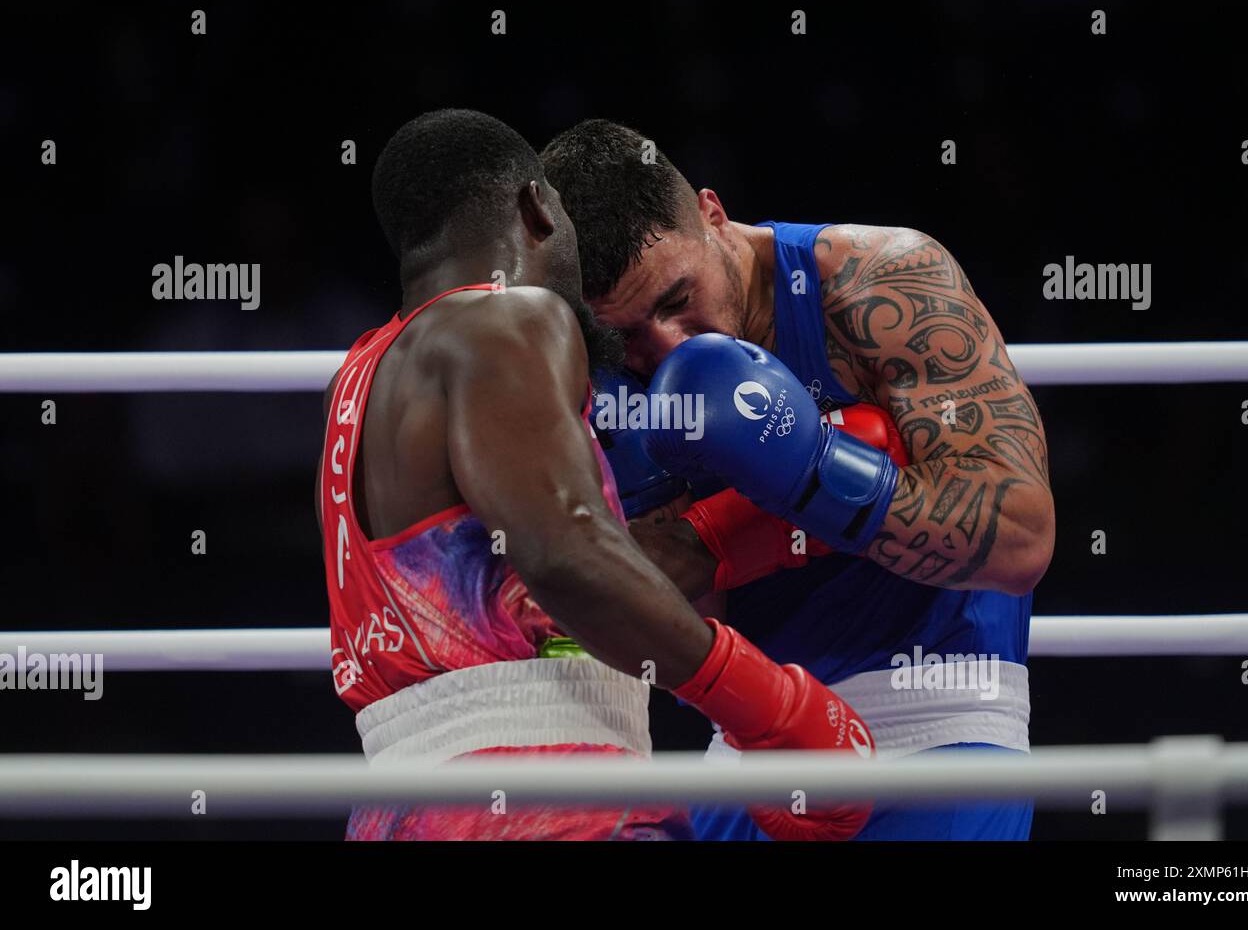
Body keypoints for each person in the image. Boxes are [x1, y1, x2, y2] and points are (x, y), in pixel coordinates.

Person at [315, 109, 878, 841]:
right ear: (536, 207)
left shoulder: (358, 378)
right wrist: (767, 705)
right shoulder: (512, 318)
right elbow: (565, 551)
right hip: (549, 793)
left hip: (403, 810)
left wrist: (760, 522)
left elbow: (500, 568)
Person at [543, 119, 1056, 840]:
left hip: (936, 717)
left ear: (713, 216)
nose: (666, 349)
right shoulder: (600, 380)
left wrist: (813, 473)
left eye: (674, 300)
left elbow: (1022, 539)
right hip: (751, 740)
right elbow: (664, 622)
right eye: (624, 334)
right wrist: (680, 531)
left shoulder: (879, 284)